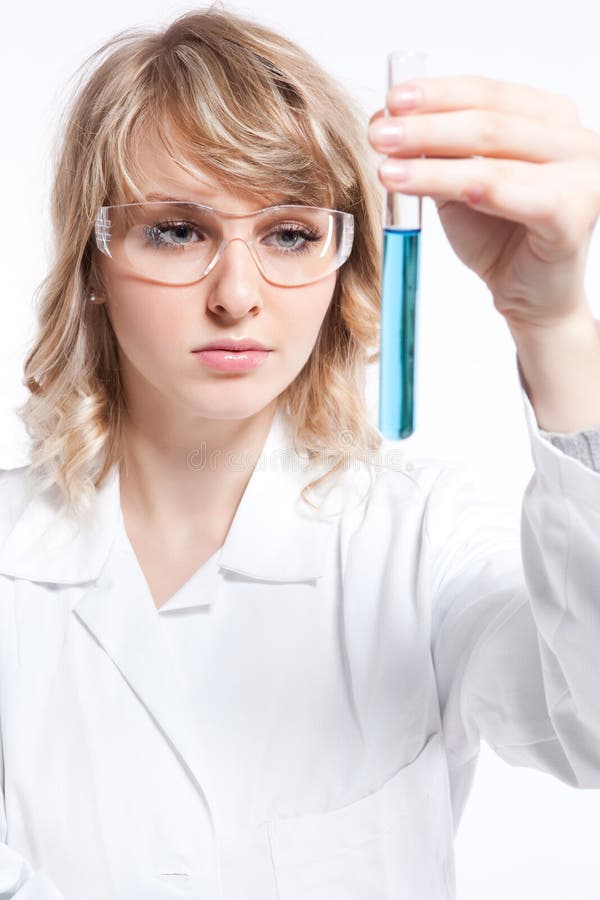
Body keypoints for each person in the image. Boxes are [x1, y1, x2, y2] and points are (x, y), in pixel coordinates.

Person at [1, 3, 600, 898]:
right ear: (94, 259)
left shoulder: (421, 541)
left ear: (345, 260)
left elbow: (587, 727)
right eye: (177, 230)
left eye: (289, 233)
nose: (237, 295)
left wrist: (550, 323)